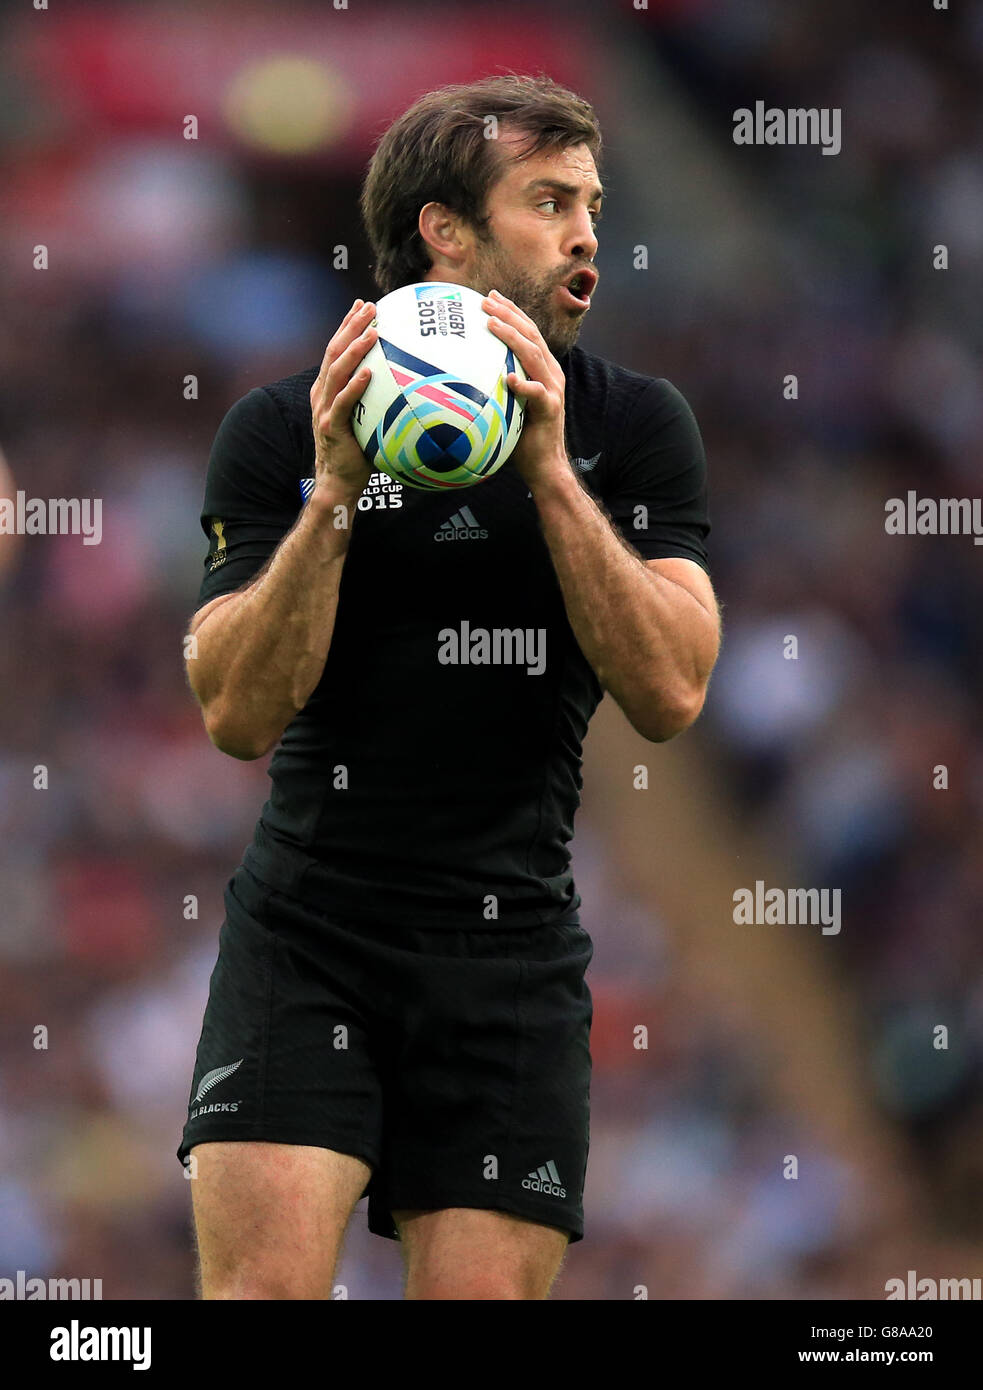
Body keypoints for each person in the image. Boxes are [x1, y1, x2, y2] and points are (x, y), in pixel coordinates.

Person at [177, 73, 721, 1300]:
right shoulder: (284, 426)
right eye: (549, 201)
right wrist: (331, 496)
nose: (589, 233)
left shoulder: (630, 427)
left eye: (592, 203)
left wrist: (545, 472)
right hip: (308, 930)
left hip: (507, 952)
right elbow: (235, 713)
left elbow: (673, 689)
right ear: (445, 228)